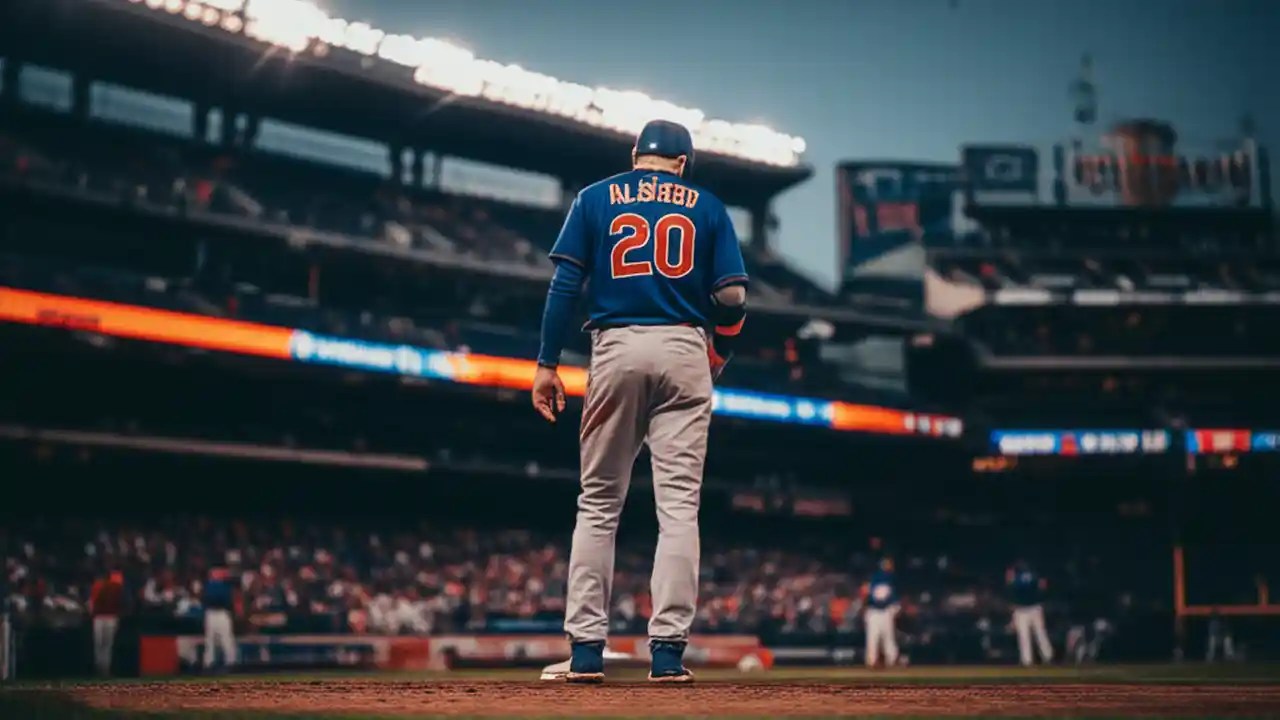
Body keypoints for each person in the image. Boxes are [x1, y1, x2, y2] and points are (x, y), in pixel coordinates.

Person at [532, 119, 748, 683]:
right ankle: (668, 656)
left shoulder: (594, 197)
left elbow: (563, 287)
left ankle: (585, 652)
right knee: (678, 508)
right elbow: (732, 295)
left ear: (635, 156)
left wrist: (547, 364)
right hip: (684, 344)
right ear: (683, 162)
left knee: (599, 503)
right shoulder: (707, 204)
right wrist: (715, 357)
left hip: (617, 343)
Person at [1007, 560, 1053, 666]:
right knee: (1038, 633)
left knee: (1028, 635)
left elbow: (1011, 589)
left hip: (1025, 609)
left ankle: (1028, 660)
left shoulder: (1018, 577)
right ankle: (1046, 657)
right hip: (1032, 607)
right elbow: (1043, 587)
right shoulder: (1035, 574)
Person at [861, 558, 899, 668]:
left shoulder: (892, 579)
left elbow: (893, 597)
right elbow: (868, 596)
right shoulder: (875, 578)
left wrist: (894, 608)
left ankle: (891, 660)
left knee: (888, 638)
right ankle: (872, 661)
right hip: (874, 611)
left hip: (885, 611)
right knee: (873, 638)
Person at [202, 566, 239, 671]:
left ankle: (231, 663)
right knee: (210, 639)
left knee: (226, 638)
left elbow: (227, 600)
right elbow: (207, 598)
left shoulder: (226, 585)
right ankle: (209, 664)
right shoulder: (209, 585)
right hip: (211, 613)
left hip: (223, 612)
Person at [89, 569, 125, 676]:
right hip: (111, 618)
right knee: (107, 646)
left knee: (99, 646)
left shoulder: (98, 585)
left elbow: (92, 602)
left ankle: (100, 670)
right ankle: (105, 671)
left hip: (100, 618)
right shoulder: (117, 587)